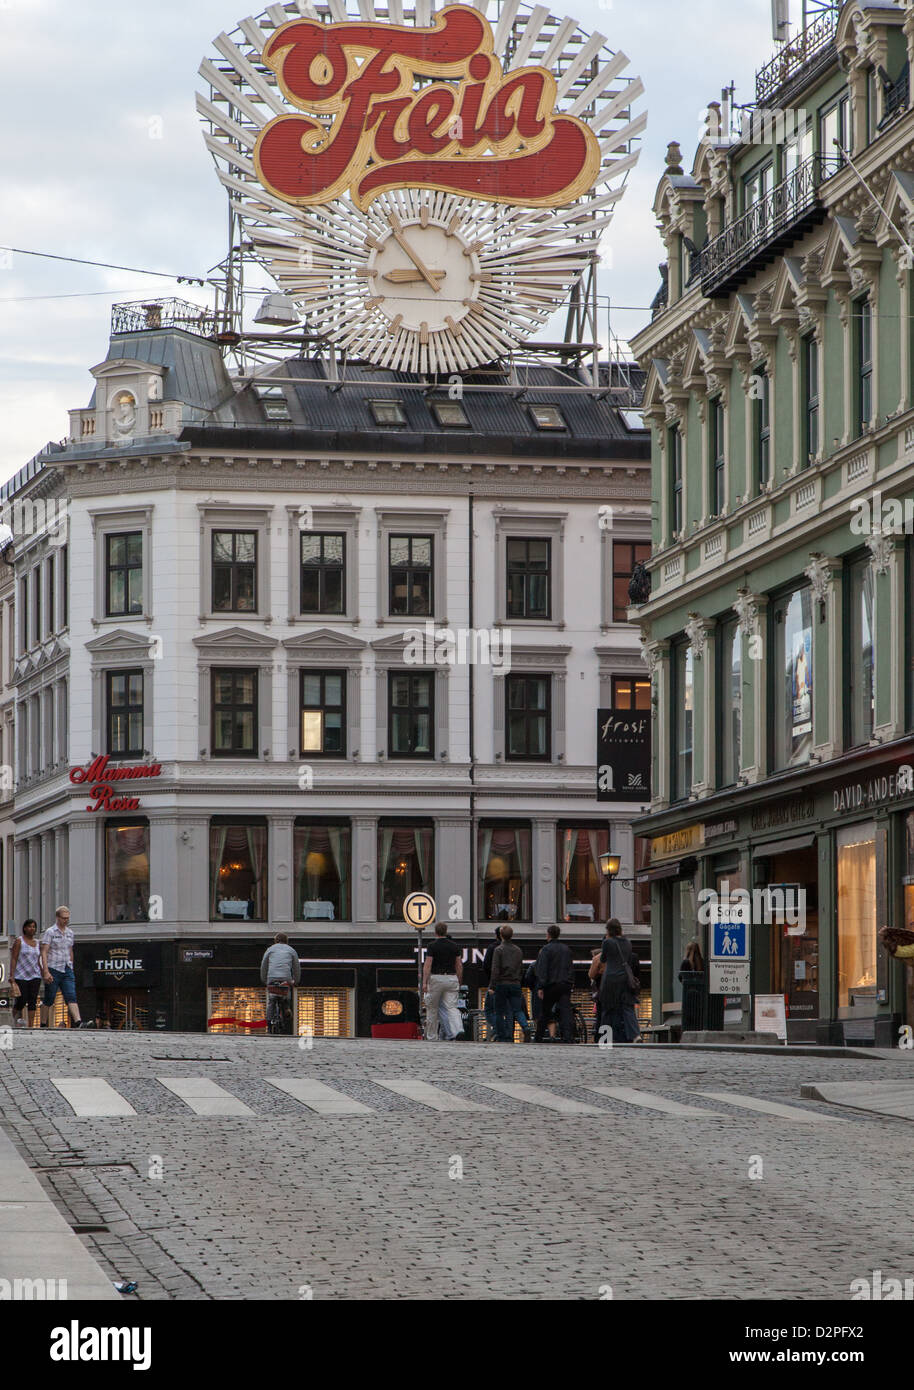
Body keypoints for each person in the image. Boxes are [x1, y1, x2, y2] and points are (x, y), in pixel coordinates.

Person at [39, 906, 88, 1028]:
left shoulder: (70, 933)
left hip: (66, 967)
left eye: (67, 918)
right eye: (64, 918)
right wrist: (45, 971)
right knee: (50, 997)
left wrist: (71, 965)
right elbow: (44, 951)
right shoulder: (50, 932)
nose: (66, 920)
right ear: (57, 917)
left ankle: (78, 1022)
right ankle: (43, 1023)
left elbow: (70, 950)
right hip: (53, 967)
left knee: (71, 995)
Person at [599, 918, 641, 1043]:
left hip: (610, 979)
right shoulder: (628, 942)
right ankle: (635, 1035)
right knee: (627, 1007)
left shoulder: (608, 942)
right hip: (625, 979)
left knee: (608, 1009)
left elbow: (603, 959)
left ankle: (606, 1037)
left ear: (608, 930)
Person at [533, 924, 574, 1043]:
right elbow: (570, 968)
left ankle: (538, 1037)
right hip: (565, 984)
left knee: (545, 1012)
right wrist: (571, 982)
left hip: (551, 985)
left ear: (548, 935)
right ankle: (568, 1037)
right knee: (566, 1012)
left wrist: (541, 986)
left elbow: (543, 969)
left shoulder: (546, 949)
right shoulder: (566, 949)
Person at [422, 922, 462, 1041]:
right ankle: (458, 1030)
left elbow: (428, 965)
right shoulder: (454, 946)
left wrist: (425, 982)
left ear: (435, 932)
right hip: (451, 978)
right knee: (452, 1007)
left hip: (436, 978)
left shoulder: (432, 946)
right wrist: (459, 980)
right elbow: (459, 965)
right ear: (446, 931)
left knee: (432, 1008)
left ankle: (431, 1036)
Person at [490, 924, 530, 1042]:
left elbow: (495, 969)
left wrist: (493, 985)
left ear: (501, 935)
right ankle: (525, 1027)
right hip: (515, 983)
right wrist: (518, 980)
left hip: (502, 983)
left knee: (499, 1011)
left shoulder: (499, 950)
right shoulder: (518, 950)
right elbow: (521, 968)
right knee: (517, 1009)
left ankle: (502, 1035)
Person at [259, 932, 301, 1033]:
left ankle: (269, 1024)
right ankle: (286, 1006)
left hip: (272, 977)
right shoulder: (291, 950)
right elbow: (296, 967)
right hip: (285, 978)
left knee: (271, 1001)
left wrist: (264, 979)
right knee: (286, 994)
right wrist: (296, 981)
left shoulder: (270, 949)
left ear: (275, 941)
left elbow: (264, 966)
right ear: (286, 941)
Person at [11, 919, 41, 1029]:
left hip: (35, 974)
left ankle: (31, 1025)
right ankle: (11, 1018)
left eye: (34, 926)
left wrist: (43, 972)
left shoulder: (38, 943)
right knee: (22, 1000)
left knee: (33, 1000)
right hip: (21, 974)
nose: (32, 929)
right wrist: (12, 975)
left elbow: (40, 960)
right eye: (29, 926)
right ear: (24, 928)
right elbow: (14, 958)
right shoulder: (19, 941)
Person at [481, 925, 504, 1043]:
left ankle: (499, 1029)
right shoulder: (514, 948)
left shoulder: (493, 947)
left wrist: (490, 980)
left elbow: (486, 965)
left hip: (494, 983)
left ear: (496, 935)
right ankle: (502, 1031)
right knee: (505, 1010)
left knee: (489, 1009)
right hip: (509, 983)